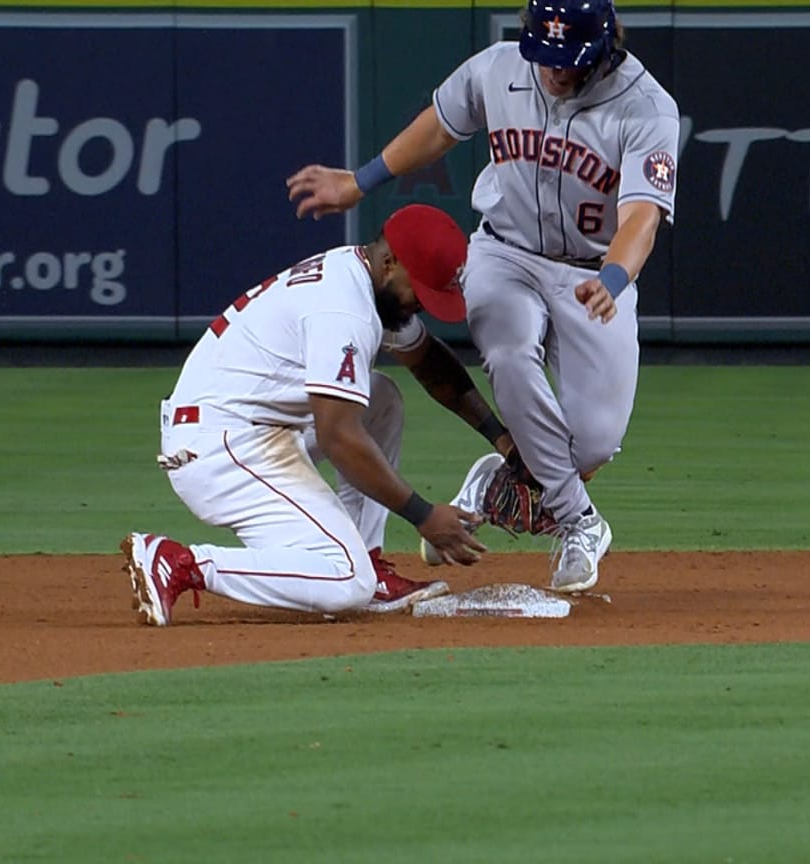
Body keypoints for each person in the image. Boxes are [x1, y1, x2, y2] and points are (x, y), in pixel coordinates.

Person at [285, 0, 679, 593]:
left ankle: (501, 481)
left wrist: (617, 278)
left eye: (566, 61)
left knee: (594, 440)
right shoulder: (498, 68)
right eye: (543, 56)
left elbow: (643, 215)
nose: (552, 71)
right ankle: (579, 522)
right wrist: (359, 180)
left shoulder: (646, 107)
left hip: (594, 270)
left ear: (604, 49)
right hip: (504, 250)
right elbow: (441, 126)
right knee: (509, 349)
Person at [122, 204, 521, 625]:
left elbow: (429, 364)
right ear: (389, 263)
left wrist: (501, 438)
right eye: (419, 292)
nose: (421, 304)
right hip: (221, 449)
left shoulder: (360, 275)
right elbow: (338, 438)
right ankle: (182, 563)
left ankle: (369, 561)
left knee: (381, 397)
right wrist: (423, 515)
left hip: (247, 426)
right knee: (348, 583)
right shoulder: (342, 309)